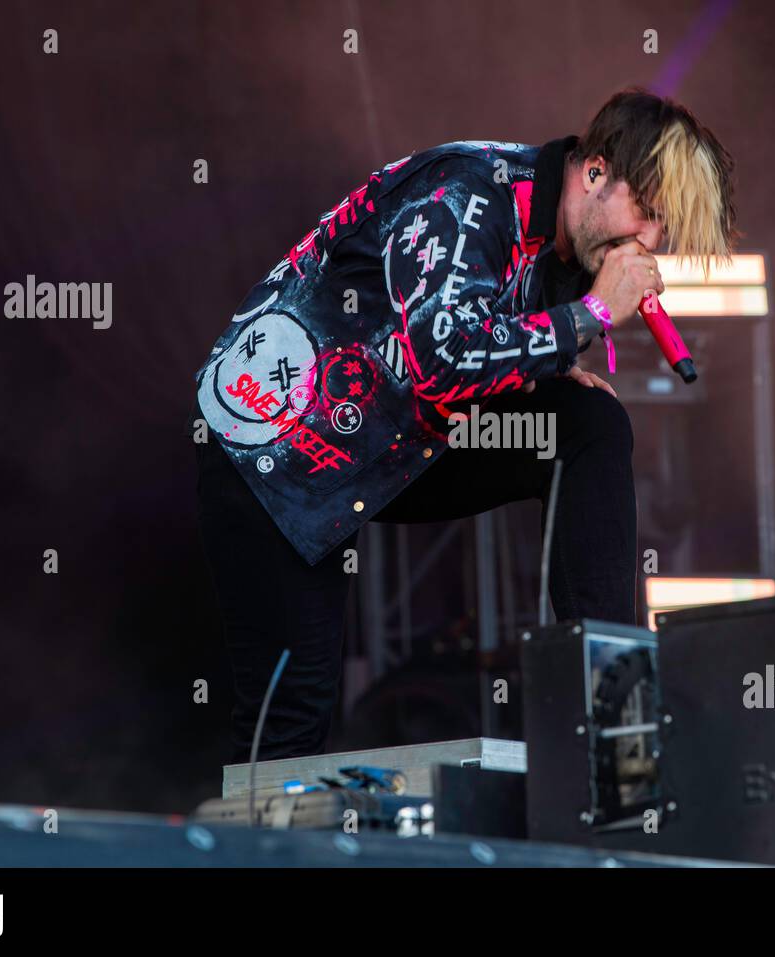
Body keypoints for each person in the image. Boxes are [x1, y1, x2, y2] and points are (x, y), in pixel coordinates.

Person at [191, 87, 738, 762]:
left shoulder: (572, 255)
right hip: (276, 451)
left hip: (394, 438)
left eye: (665, 232)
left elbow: (481, 343)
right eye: (647, 212)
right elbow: (442, 359)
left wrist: (541, 364)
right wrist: (587, 318)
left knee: (588, 423)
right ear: (595, 172)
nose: (649, 242)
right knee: (293, 714)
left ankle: (610, 705)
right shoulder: (465, 192)